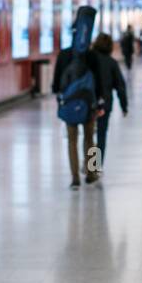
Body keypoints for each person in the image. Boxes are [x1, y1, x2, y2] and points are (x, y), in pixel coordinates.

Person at [51, 35, 104, 190]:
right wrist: (100, 102)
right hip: (89, 103)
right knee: (90, 139)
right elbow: (99, 81)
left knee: (72, 140)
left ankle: (75, 178)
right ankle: (91, 173)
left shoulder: (64, 54)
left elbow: (56, 82)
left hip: (69, 102)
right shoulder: (92, 55)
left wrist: (60, 95)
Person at [90, 33, 128, 171]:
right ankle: (95, 166)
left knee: (89, 134)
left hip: (88, 102)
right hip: (105, 103)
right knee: (101, 134)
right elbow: (120, 86)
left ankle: (89, 163)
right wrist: (124, 106)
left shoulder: (88, 60)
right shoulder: (111, 62)